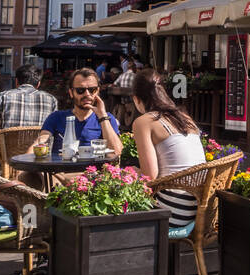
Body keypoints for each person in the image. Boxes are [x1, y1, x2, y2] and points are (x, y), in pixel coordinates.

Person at [129, 70, 203, 231]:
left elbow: (150, 176)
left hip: (174, 213)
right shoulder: (185, 118)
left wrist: (131, 172)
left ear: (136, 98)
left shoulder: (143, 122)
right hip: (202, 211)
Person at [40, 67, 120, 150]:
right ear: (71, 93)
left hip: (94, 163)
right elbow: (41, 141)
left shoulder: (106, 119)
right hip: (62, 163)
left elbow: (117, 151)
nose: (87, 94)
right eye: (80, 90)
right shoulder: (56, 117)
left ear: (97, 91)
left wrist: (103, 117)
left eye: (92, 90)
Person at [0, 64, 57, 131]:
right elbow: (54, 129)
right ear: (38, 84)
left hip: (9, 141)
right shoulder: (51, 100)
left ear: (16, 81)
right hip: (39, 141)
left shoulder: (4, 96)